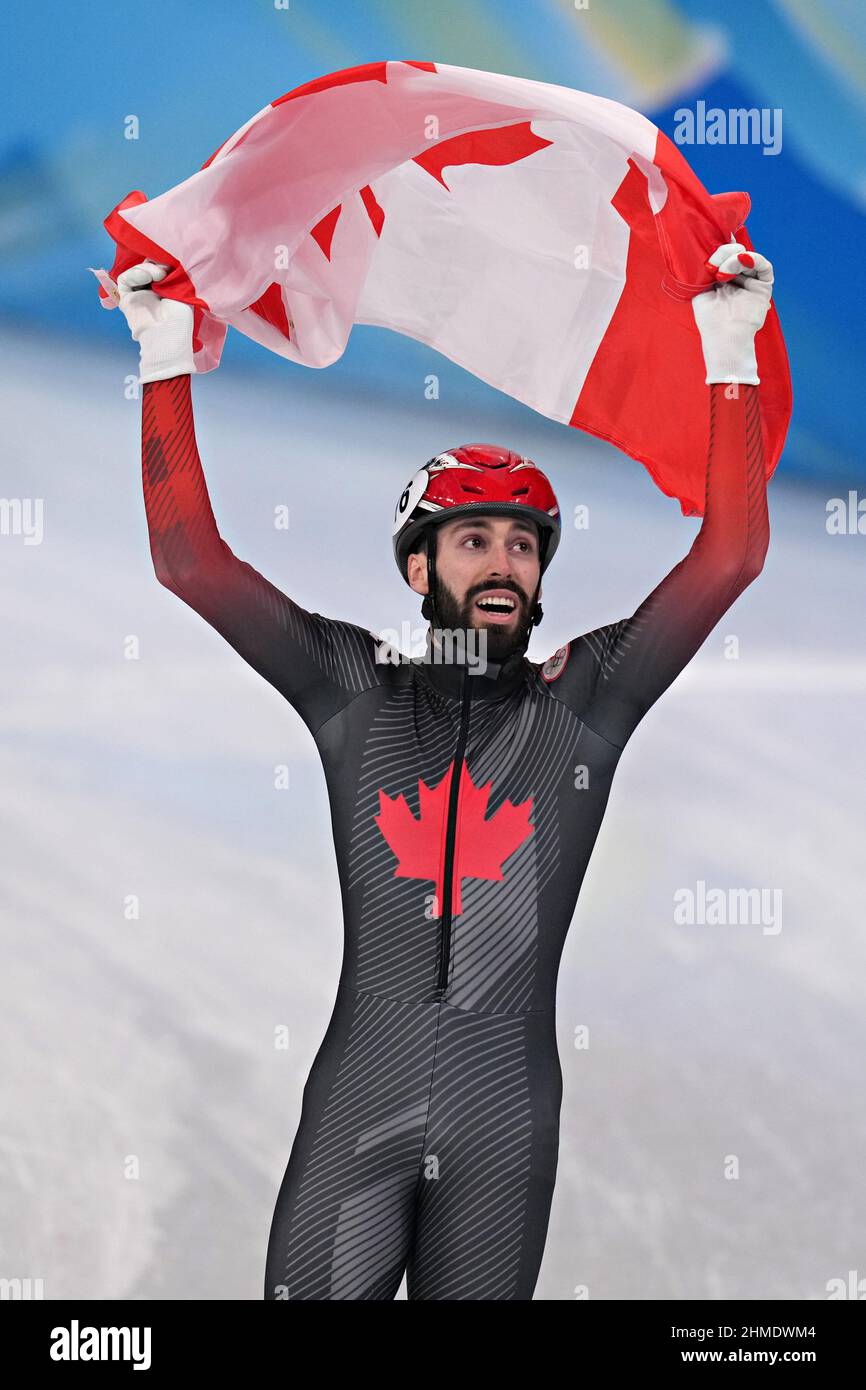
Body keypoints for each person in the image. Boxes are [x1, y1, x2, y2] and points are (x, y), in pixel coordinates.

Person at [115, 242, 773, 1299]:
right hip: (357, 1104)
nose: (502, 564)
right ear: (418, 567)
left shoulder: (585, 699)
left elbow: (730, 550)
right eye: (472, 540)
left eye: (522, 545)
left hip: (502, 1117)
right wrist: (161, 360)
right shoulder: (352, 687)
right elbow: (190, 558)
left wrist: (726, 344)